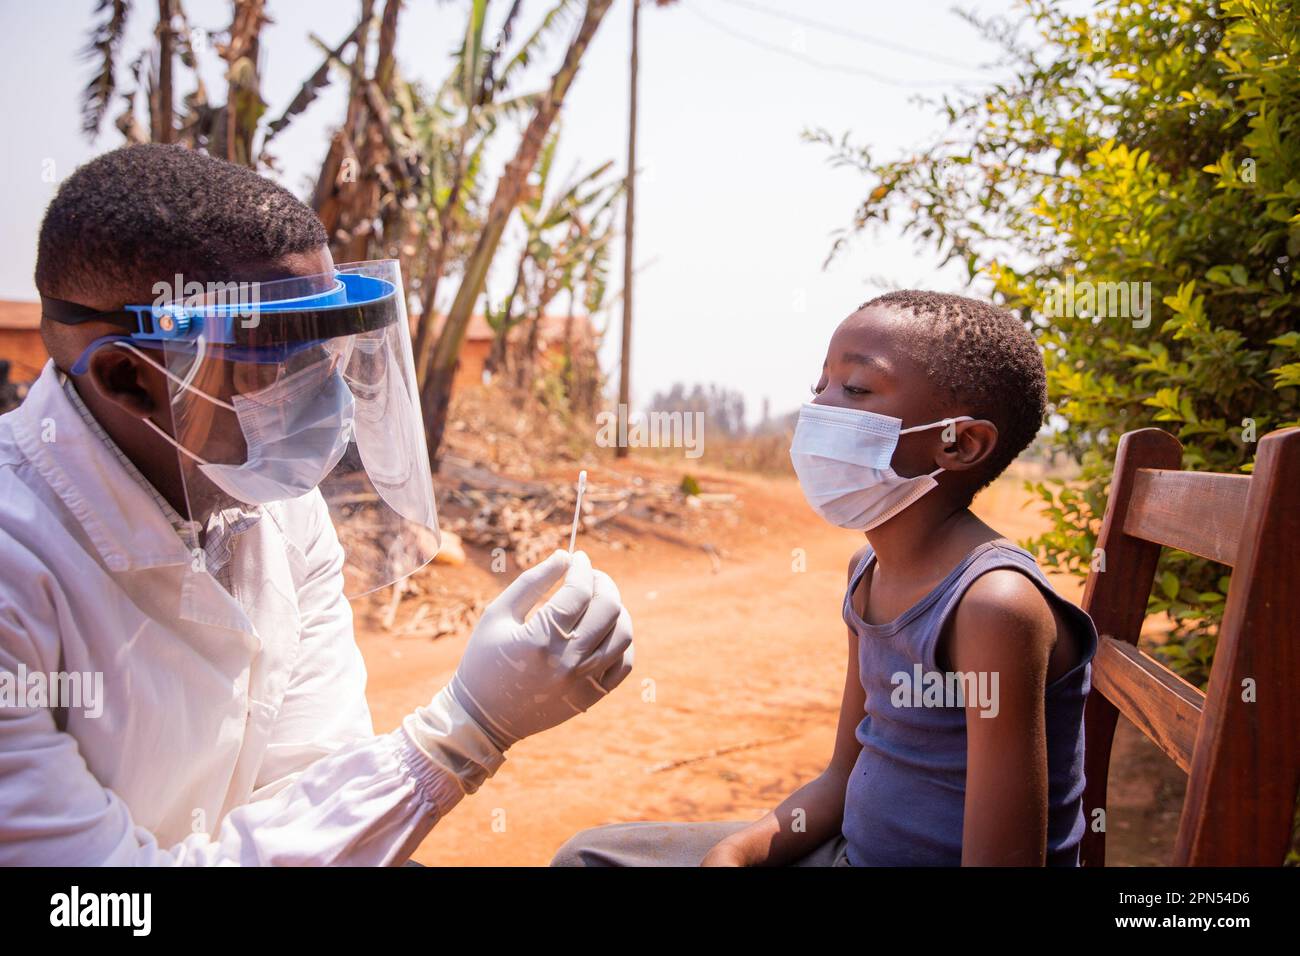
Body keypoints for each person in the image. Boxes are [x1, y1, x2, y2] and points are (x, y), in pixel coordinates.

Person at [0, 144, 633, 865]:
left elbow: (311, 802)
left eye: (329, 348)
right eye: (280, 352)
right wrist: (465, 729)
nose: (323, 387)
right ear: (129, 376)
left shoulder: (274, 507)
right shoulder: (18, 567)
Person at [552, 291, 1099, 867]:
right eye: (822, 387)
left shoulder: (993, 606)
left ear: (960, 442)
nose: (820, 410)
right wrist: (736, 853)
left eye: (856, 390)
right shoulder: (868, 574)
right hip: (850, 851)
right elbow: (843, 774)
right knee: (587, 858)